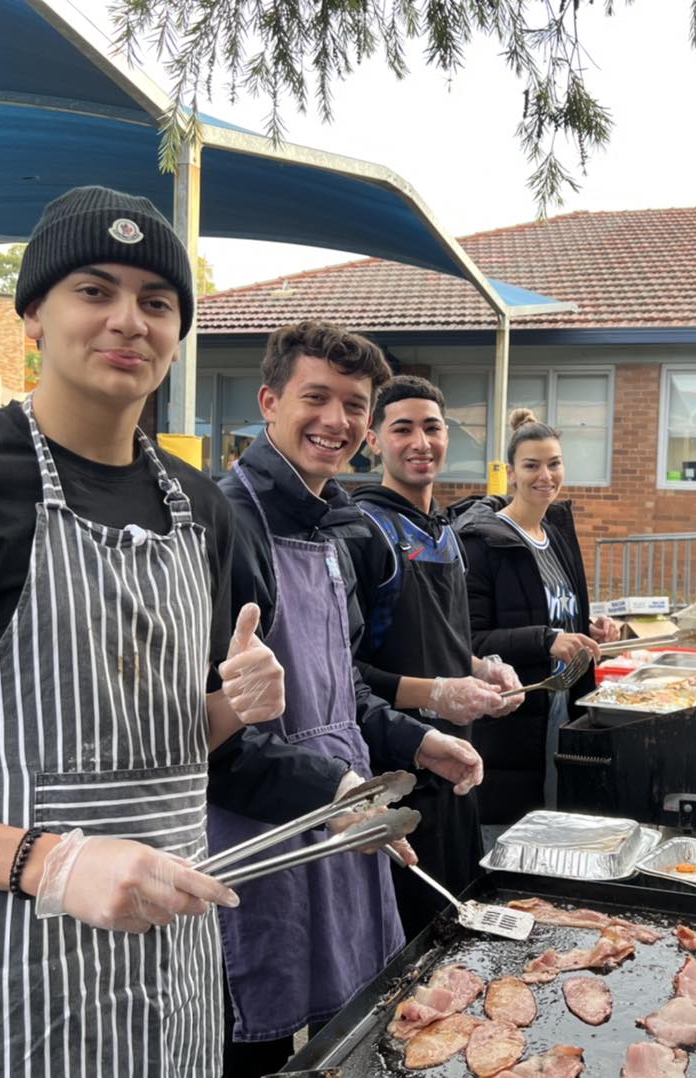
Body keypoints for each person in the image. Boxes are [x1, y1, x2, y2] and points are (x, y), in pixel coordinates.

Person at [0, 185, 291, 1075]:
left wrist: (233, 706)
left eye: (157, 302)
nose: (130, 320)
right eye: (95, 290)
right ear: (34, 313)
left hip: (170, 979)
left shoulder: (199, 509)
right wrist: (46, 862)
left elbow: (158, 746)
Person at [217, 323, 484, 1076]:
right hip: (255, 834)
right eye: (316, 398)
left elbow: (343, 687)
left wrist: (414, 741)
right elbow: (212, 735)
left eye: (354, 405)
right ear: (269, 402)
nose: (336, 421)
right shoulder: (224, 523)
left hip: (343, 822)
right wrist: (341, 794)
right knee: (258, 1046)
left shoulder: (337, 527)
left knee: (345, 1039)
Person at [337, 374, 523, 938]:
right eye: (402, 429)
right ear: (373, 440)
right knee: (410, 940)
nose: (421, 442)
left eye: (432, 428)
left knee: (461, 919)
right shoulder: (359, 529)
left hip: (459, 765)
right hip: (394, 770)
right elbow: (342, 672)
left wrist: (478, 667)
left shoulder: (444, 529)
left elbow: (443, 637)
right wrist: (436, 693)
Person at [452, 408, 619, 832]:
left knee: (558, 824)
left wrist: (587, 628)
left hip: (564, 706)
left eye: (554, 463)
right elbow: (467, 638)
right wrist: (545, 639)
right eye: (531, 465)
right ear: (511, 473)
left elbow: (559, 617)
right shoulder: (483, 542)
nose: (545, 475)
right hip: (515, 716)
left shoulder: (556, 535)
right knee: (513, 832)